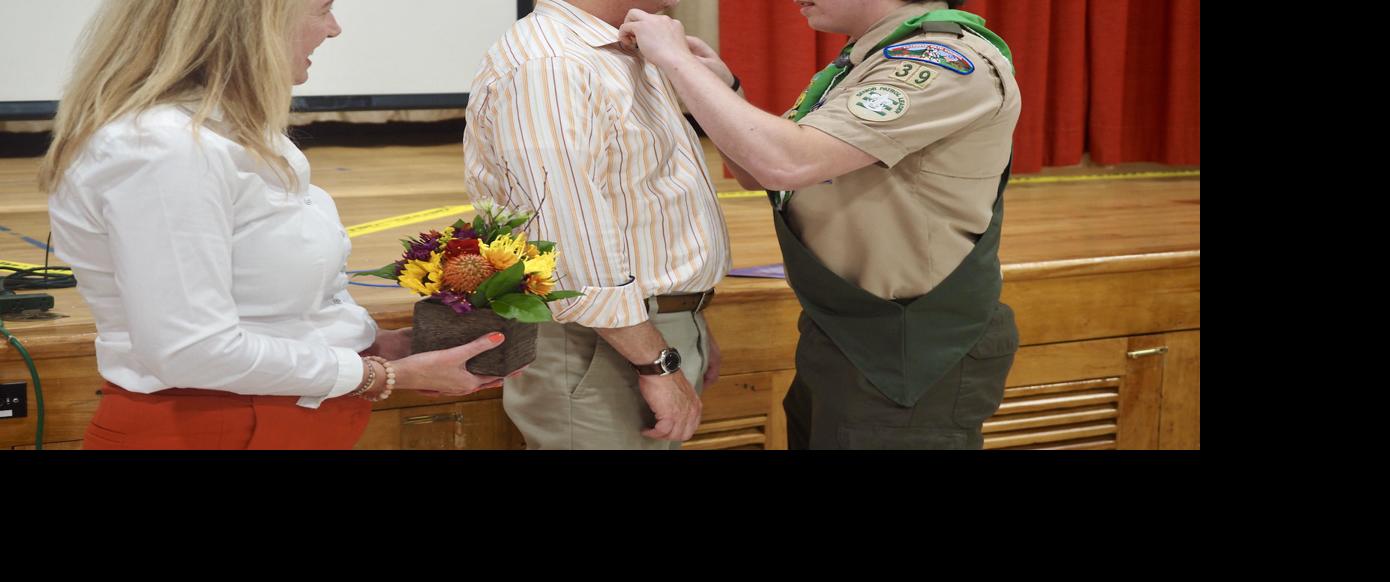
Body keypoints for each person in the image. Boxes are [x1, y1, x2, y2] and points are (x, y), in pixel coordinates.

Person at [40, 0, 509, 450]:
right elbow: (192, 350)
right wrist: (384, 377)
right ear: (256, 22)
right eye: (323, 8)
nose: (334, 28)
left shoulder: (229, 132)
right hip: (213, 430)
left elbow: (270, 308)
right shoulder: (165, 149)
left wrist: (375, 345)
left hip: (272, 421)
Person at [621, 0, 1021, 449]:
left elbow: (786, 164)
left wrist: (675, 60)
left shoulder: (941, 61)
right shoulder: (871, 55)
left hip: (910, 348)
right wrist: (722, 90)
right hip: (847, 331)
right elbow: (762, 172)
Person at [463, 0, 733, 449]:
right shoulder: (551, 63)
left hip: (639, 331)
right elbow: (569, 245)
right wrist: (655, 361)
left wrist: (687, 318)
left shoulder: (612, 50)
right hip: (596, 343)